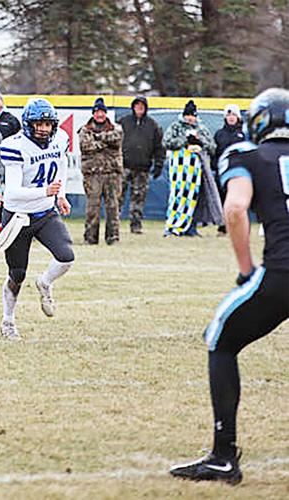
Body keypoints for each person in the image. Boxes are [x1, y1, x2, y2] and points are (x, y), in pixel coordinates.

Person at [169, 88, 289, 485]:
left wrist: (245, 269)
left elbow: (235, 208)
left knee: (221, 339)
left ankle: (223, 455)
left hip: (282, 274)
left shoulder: (245, 155)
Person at [0, 98, 74, 341]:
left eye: (47, 124)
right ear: (28, 124)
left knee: (66, 257)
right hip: (18, 216)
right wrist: (47, 192)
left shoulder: (59, 138)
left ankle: (44, 282)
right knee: (17, 274)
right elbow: (11, 192)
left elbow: (61, 162)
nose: (43, 128)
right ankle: (8, 320)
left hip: (44, 212)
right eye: (38, 124)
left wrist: (60, 194)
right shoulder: (15, 146)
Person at [163, 99, 222, 236]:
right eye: (188, 115)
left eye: (193, 115)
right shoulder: (175, 127)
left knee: (194, 199)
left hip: (196, 171)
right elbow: (167, 142)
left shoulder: (201, 128)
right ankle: (173, 226)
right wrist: (185, 140)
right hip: (179, 171)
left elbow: (212, 147)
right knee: (177, 197)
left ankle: (191, 227)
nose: (190, 118)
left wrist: (199, 142)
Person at [78, 97, 123, 245]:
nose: (99, 115)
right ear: (93, 114)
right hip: (93, 175)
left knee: (113, 207)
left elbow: (116, 139)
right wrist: (104, 143)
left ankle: (113, 238)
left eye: (102, 112)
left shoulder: (116, 127)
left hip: (112, 174)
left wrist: (98, 138)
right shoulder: (85, 129)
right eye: (97, 112)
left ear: (106, 113)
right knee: (92, 208)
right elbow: (86, 146)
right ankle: (90, 238)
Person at [117, 96, 164, 234]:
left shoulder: (152, 125)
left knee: (138, 198)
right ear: (133, 107)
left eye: (142, 106)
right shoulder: (123, 122)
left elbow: (159, 147)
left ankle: (135, 224)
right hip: (123, 166)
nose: (139, 108)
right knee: (118, 195)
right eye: (137, 106)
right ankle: (114, 223)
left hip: (142, 168)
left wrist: (158, 165)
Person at [213, 104, 246, 235]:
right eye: (228, 115)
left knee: (236, 201)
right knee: (222, 199)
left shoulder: (243, 133)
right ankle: (223, 227)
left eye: (233, 115)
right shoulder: (219, 134)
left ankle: (238, 227)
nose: (231, 118)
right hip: (222, 172)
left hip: (238, 171)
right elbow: (215, 153)